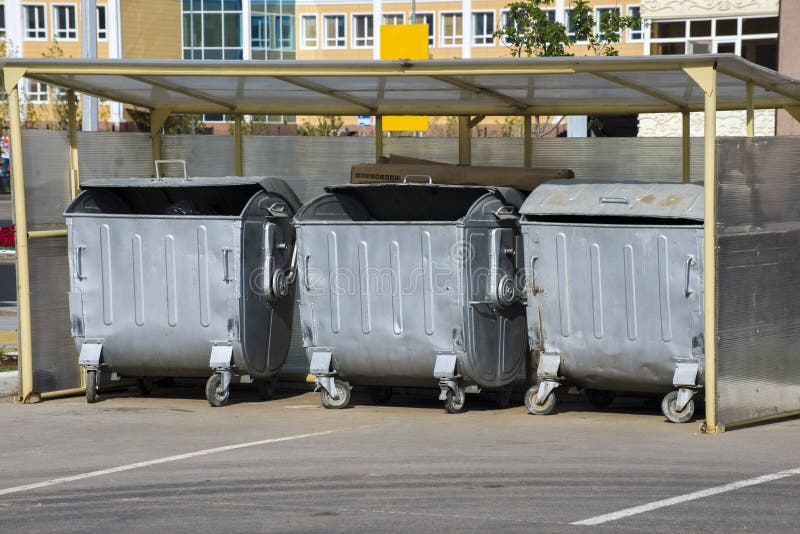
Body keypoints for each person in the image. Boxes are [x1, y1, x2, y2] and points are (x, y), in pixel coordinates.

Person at [0, 127, 9, 194]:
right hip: (4, 157)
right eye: (2, 132)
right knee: (3, 172)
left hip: (11, 157)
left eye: (4, 131)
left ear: (7, 132)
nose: (3, 133)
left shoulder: (10, 137)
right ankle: (4, 188)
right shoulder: (1, 139)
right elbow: (1, 148)